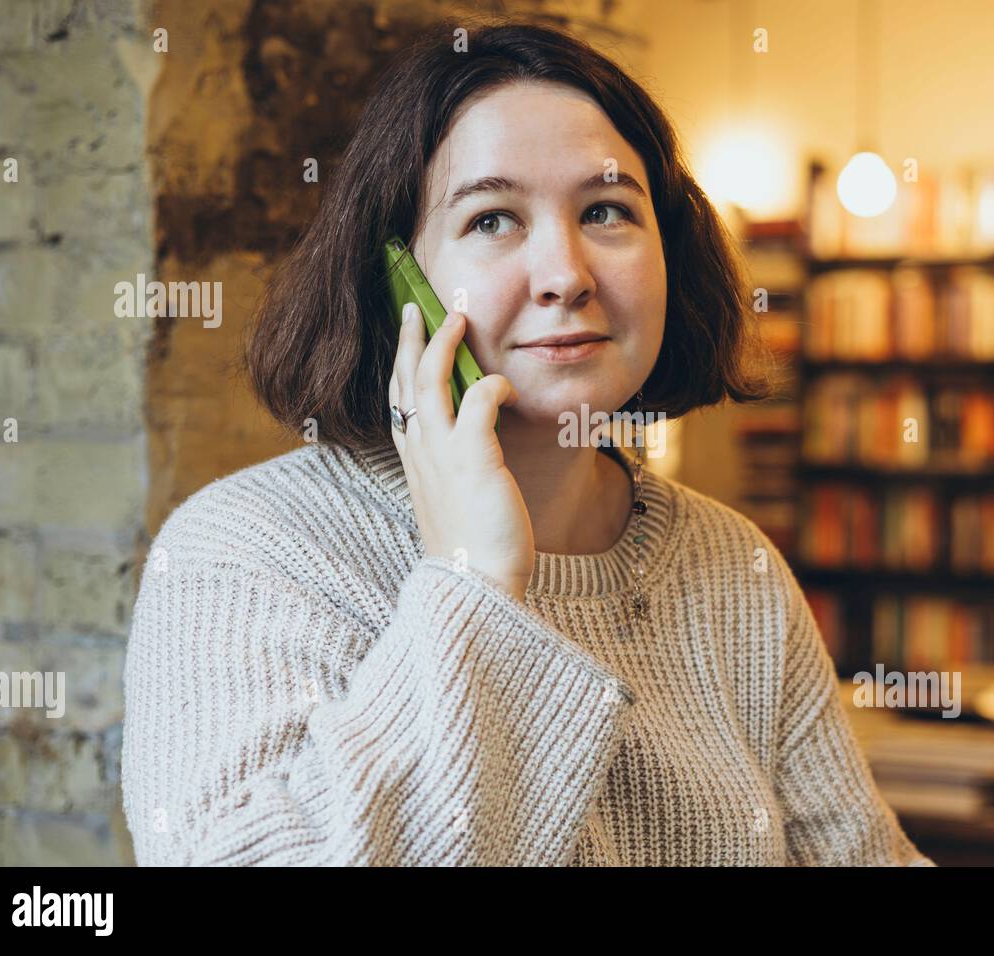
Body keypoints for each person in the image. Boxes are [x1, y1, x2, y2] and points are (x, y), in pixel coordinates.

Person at [120, 20, 933, 867]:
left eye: (608, 211)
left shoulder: (735, 569)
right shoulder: (244, 553)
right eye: (493, 219)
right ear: (398, 276)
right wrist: (471, 584)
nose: (566, 273)